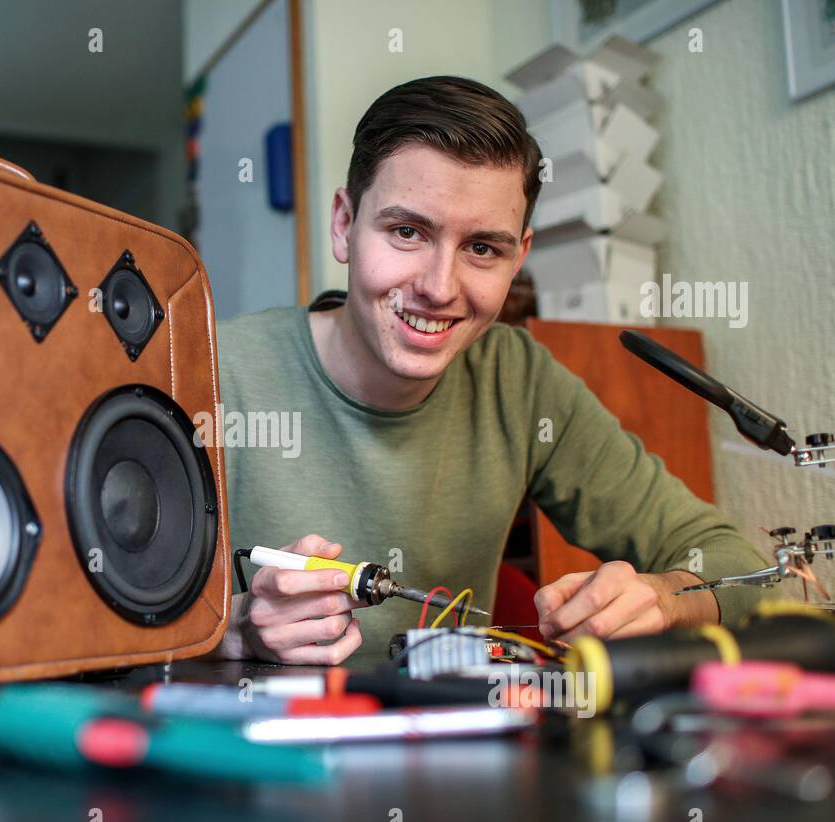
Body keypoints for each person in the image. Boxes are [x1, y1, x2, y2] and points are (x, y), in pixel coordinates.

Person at [208, 75, 768, 669]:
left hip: (454, 751)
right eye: (407, 231)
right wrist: (235, 631)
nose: (439, 288)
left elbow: (742, 567)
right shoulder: (212, 370)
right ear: (345, 224)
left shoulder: (520, 380)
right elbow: (101, 622)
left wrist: (663, 600)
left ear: (518, 257)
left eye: (482, 249)